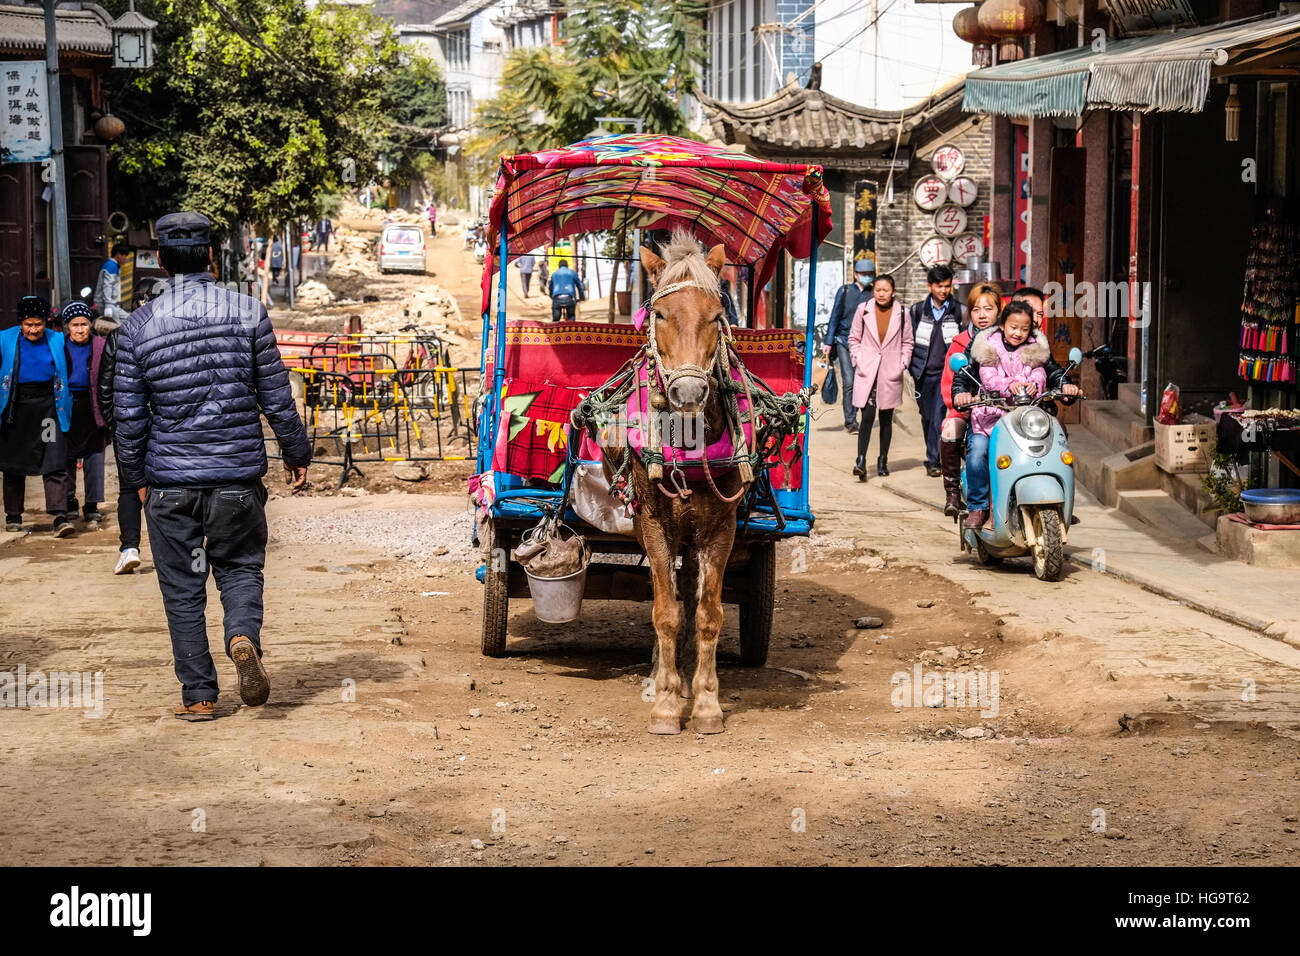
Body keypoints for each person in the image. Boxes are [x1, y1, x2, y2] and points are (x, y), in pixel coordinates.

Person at [114, 211, 313, 721]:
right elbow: (276, 396)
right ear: (211, 256)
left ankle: (200, 696)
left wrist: (134, 479)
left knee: (181, 589)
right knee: (241, 568)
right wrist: (296, 453)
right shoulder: (248, 312)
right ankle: (242, 635)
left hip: (169, 483)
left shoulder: (137, 326)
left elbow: (129, 416)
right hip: (237, 478)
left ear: (160, 260)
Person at [956, 301, 1049, 530]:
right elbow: (988, 378)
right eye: (1013, 327)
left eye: (1024, 329)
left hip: (1020, 420)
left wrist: (1034, 385)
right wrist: (1015, 385)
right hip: (987, 420)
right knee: (977, 453)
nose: (1018, 333)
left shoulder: (1034, 349)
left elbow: (1040, 374)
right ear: (1002, 325)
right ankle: (978, 507)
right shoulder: (987, 347)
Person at [1, 296, 74, 535]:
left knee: (54, 459)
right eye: (28, 324)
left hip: (48, 410)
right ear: (20, 322)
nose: (33, 329)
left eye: (38, 324)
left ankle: (60, 516)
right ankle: (13, 515)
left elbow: (68, 371)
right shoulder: (5, 339)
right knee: (13, 463)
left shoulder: (57, 340)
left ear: (46, 323)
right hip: (16, 408)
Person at [938, 283, 1001, 515]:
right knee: (950, 429)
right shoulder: (959, 343)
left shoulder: (1009, 341)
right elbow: (948, 384)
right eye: (976, 309)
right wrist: (963, 402)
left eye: (988, 308)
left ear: (998, 311)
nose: (982, 315)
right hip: (969, 411)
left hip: (1004, 410)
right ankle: (953, 492)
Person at [847, 274, 913, 480]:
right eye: (878, 290)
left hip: (890, 371)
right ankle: (860, 460)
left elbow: (908, 342)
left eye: (885, 290)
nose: (881, 293)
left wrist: (902, 363)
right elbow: (853, 337)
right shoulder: (863, 309)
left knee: (886, 418)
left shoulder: (902, 312)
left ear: (893, 291)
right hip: (868, 370)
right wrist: (857, 358)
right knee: (866, 417)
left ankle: (883, 459)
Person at [908, 265, 967, 477]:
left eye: (947, 286)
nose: (943, 290)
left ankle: (934, 460)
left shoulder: (959, 310)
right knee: (926, 416)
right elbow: (910, 340)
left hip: (948, 374)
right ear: (930, 286)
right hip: (924, 374)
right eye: (939, 286)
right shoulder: (917, 310)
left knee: (939, 416)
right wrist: (911, 368)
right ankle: (933, 455)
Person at [96, 317, 144, 574]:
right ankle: (168, 549)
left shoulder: (120, 335)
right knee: (168, 487)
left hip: (129, 426)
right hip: (164, 426)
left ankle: (130, 548)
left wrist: (116, 425)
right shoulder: (174, 327)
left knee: (129, 488)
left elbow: (104, 388)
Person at [59, 302, 108, 530]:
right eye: (75, 325)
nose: (80, 330)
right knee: (66, 456)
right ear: (67, 327)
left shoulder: (101, 345)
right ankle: (69, 499)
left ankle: (92, 505)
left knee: (95, 456)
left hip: (93, 406)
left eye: (84, 324)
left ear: (90, 325)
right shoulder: (59, 346)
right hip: (67, 406)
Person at [823, 258, 876, 433]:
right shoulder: (845, 291)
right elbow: (835, 316)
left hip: (866, 344)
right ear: (855, 275)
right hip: (844, 341)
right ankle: (851, 421)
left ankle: (865, 415)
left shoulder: (874, 293)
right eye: (864, 274)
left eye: (870, 274)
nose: (867, 277)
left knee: (865, 380)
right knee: (849, 381)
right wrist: (828, 342)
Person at [93, 243, 133, 334]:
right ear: (118, 255)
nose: (125, 258)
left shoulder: (114, 266)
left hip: (113, 305)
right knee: (116, 329)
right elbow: (107, 286)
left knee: (129, 319)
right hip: (108, 305)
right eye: (124, 256)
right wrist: (108, 306)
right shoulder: (110, 266)